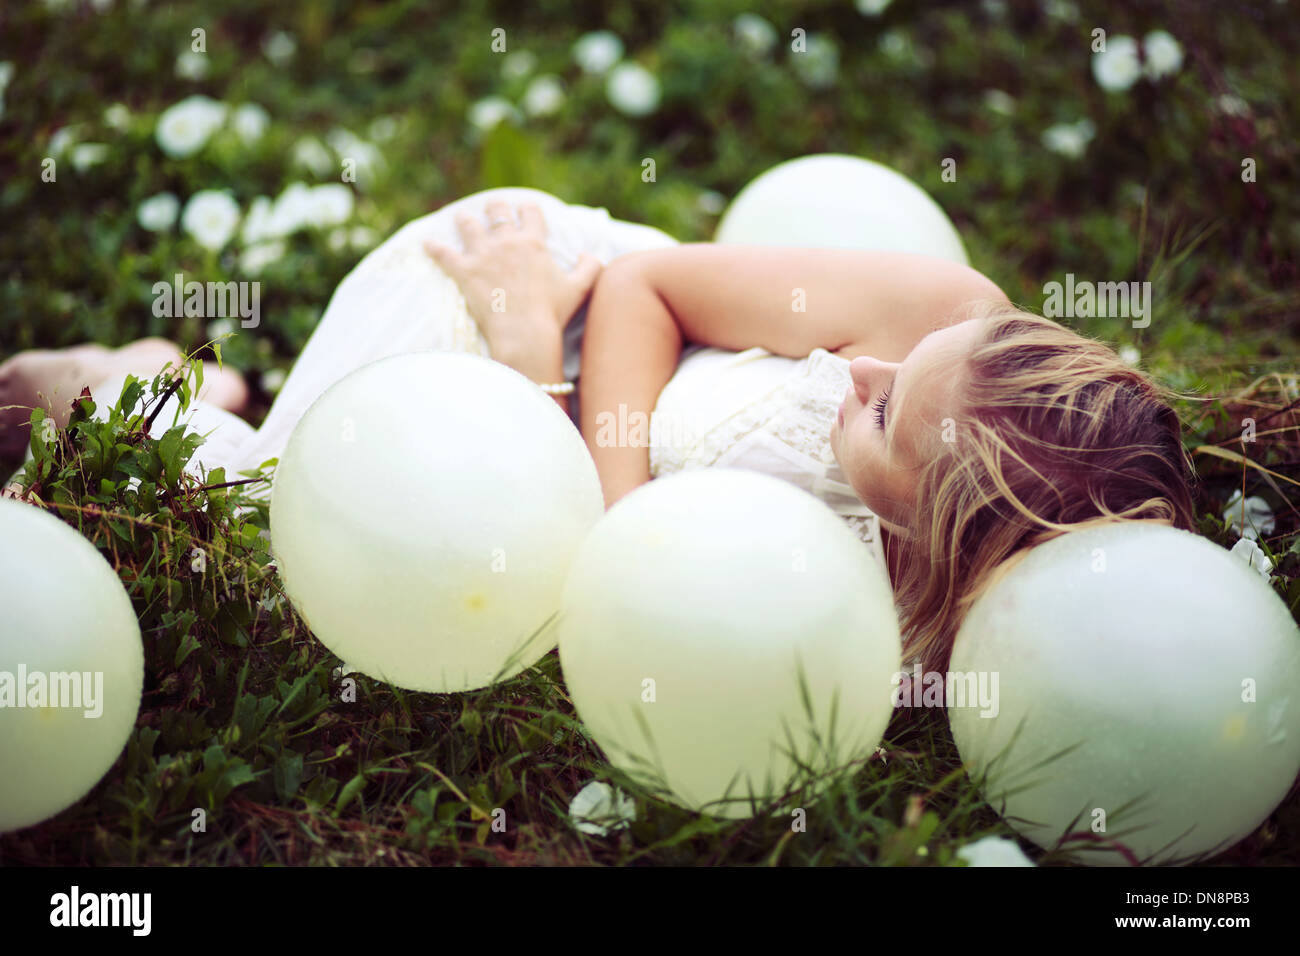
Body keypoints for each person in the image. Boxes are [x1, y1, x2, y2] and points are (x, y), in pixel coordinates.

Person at [0, 187, 1198, 677]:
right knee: (279, 550)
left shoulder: (936, 645)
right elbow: (652, 289)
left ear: (939, 533)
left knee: (331, 582)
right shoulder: (947, 317)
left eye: (887, 406)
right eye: (900, 365)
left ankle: (206, 394)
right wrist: (595, 479)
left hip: (533, 463)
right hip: (524, 313)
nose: (858, 369)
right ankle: (132, 383)